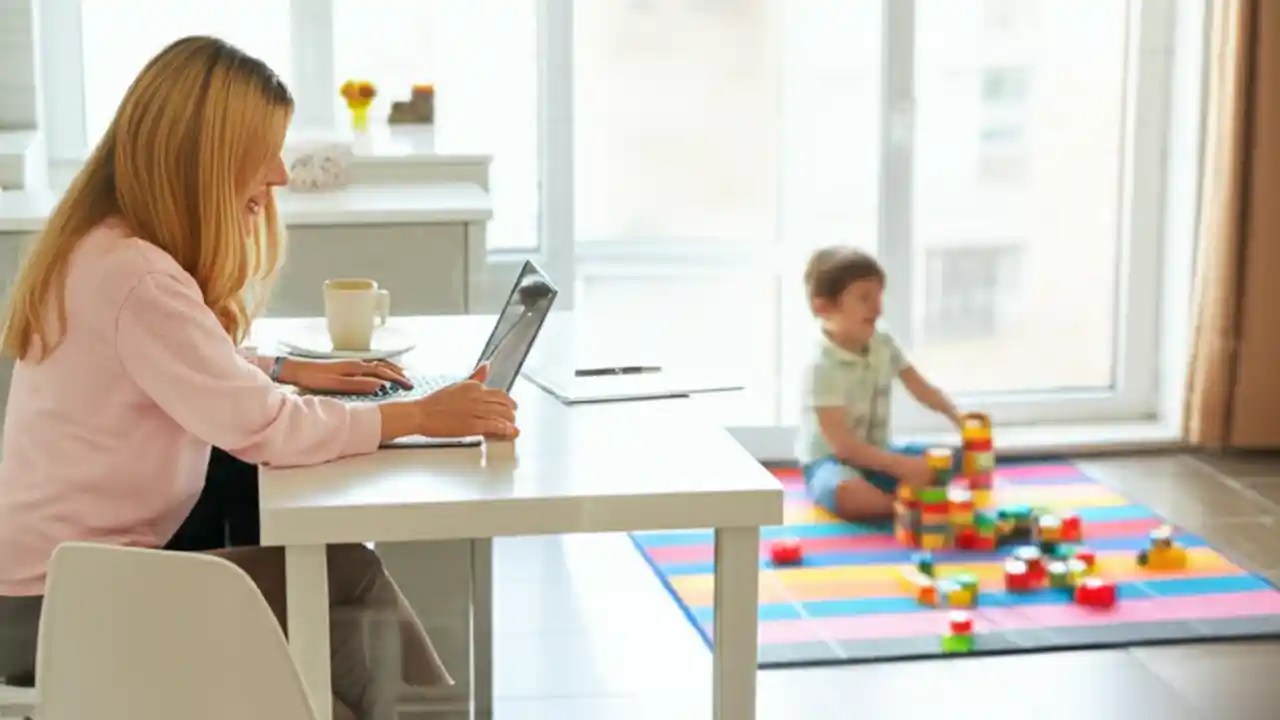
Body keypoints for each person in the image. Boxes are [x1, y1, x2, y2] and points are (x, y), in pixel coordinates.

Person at [0, 36, 517, 720]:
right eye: (261, 152)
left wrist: (285, 367)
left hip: (48, 591)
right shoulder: (138, 277)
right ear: (202, 159)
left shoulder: (102, 247)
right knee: (345, 578)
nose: (277, 175)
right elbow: (266, 426)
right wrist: (417, 416)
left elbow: (176, 363)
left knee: (308, 568)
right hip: (61, 614)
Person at [796, 246, 965, 522]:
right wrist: (901, 466)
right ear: (824, 307)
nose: (878, 308)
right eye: (864, 298)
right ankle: (898, 504)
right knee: (845, 493)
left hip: (880, 452)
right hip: (832, 462)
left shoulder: (882, 344)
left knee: (952, 458)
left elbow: (920, 387)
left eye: (878, 297)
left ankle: (903, 490)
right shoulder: (821, 367)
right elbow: (844, 446)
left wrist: (959, 418)